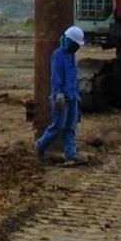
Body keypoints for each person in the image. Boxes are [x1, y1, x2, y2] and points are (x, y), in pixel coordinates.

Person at [35, 25, 85, 165]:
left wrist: (77, 95)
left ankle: (71, 153)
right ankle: (40, 146)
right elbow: (56, 77)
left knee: (70, 127)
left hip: (72, 97)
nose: (76, 47)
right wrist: (58, 94)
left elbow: (73, 78)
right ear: (68, 41)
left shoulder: (72, 56)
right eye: (75, 44)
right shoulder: (58, 55)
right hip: (61, 98)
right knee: (58, 126)